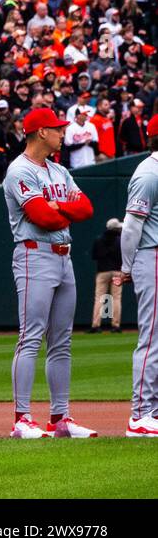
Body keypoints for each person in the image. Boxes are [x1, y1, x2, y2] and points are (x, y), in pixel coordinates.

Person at [3, 108, 97, 438]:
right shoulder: (19, 171)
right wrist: (60, 211)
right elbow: (43, 217)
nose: (62, 133)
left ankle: (60, 418)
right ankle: (21, 419)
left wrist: (61, 208)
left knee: (62, 342)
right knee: (30, 338)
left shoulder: (58, 169)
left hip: (63, 256)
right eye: (57, 129)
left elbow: (87, 208)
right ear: (41, 132)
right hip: (34, 255)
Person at [120, 119, 158, 436]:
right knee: (152, 338)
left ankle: (153, 410)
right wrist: (127, 266)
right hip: (151, 255)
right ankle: (140, 414)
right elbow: (131, 226)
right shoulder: (148, 173)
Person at [90, 217, 123, 334]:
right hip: (117, 272)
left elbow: (94, 256)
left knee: (99, 298)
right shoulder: (120, 240)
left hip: (103, 272)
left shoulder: (99, 239)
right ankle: (116, 325)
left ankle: (95, 325)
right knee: (116, 298)